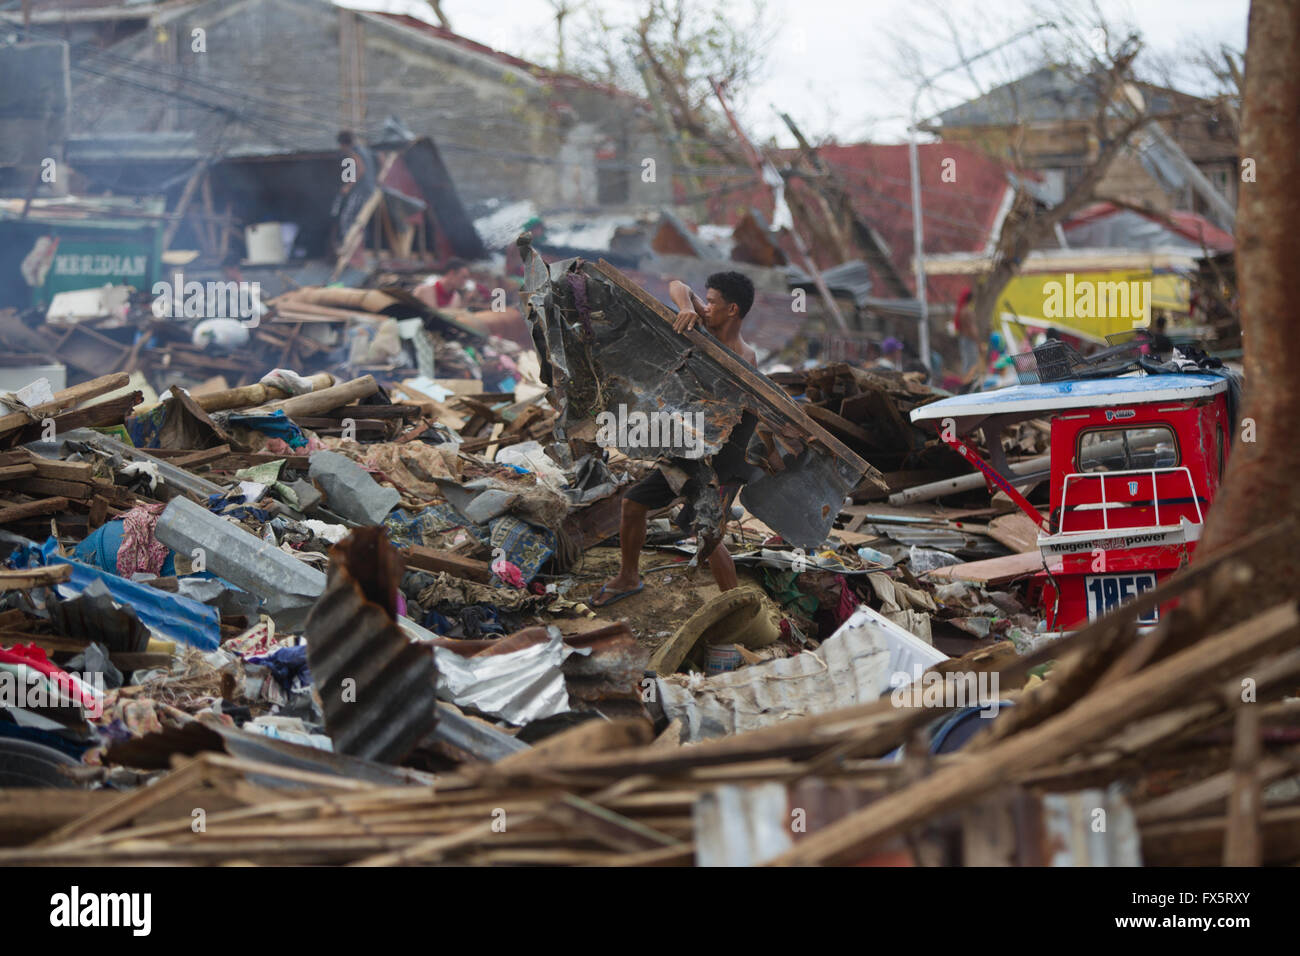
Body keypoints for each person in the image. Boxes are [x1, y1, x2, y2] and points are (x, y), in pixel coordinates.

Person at [591, 271, 758, 608]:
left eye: (712, 303)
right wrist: (687, 307)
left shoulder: (744, 358)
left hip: (722, 459)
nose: (706, 307)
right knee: (633, 503)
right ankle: (628, 576)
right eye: (706, 301)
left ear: (733, 310)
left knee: (708, 532)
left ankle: (736, 606)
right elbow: (678, 285)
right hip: (690, 449)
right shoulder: (706, 325)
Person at [333, 130, 377, 248]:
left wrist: (348, 186)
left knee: (347, 217)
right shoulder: (364, 150)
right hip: (369, 189)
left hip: (362, 190)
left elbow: (360, 169)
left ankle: (350, 246)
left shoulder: (354, 151)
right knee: (360, 219)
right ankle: (359, 246)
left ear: (343, 144)